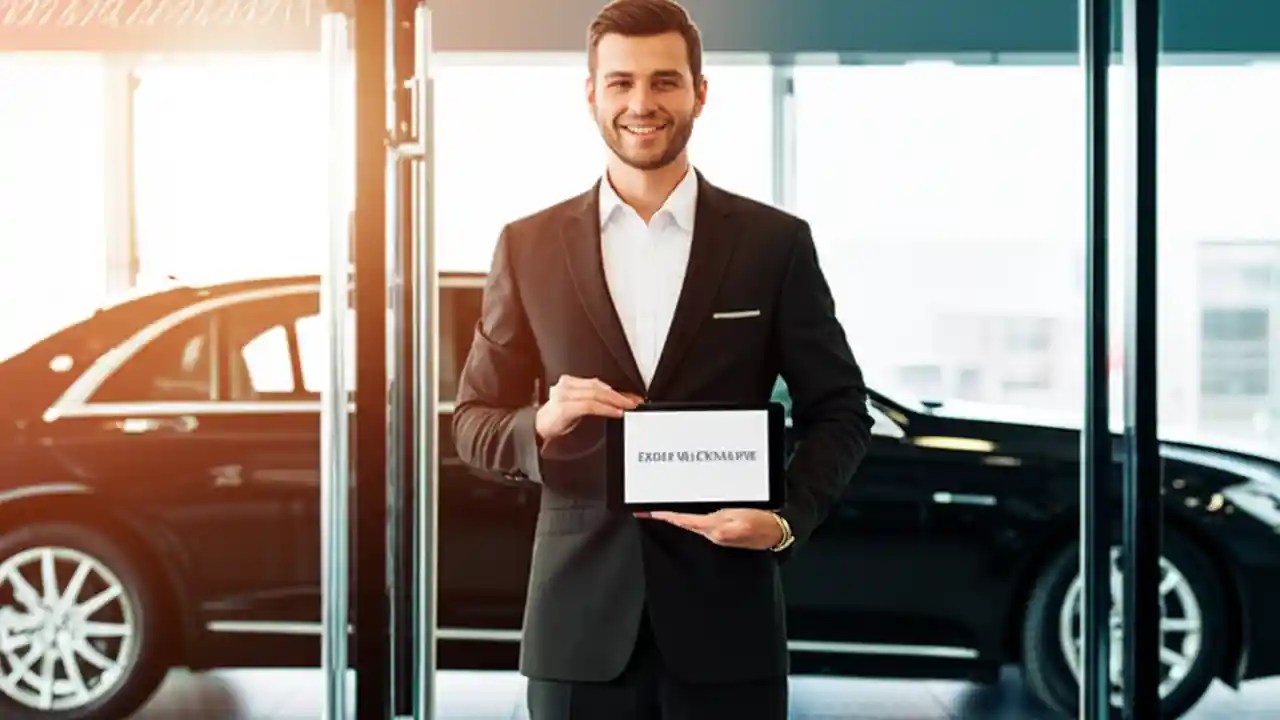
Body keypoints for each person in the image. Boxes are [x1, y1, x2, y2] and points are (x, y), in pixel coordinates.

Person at [451, 0, 873, 717]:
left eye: (664, 81)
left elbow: (840, 410)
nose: (641, 103)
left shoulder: (773, 245)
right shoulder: (527, 247)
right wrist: (542, 422)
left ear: (699, 93)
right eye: (620, 83)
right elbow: (472, 422)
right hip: (576, 630)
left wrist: (785, 519)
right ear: (591, 94)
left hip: (728, 623)